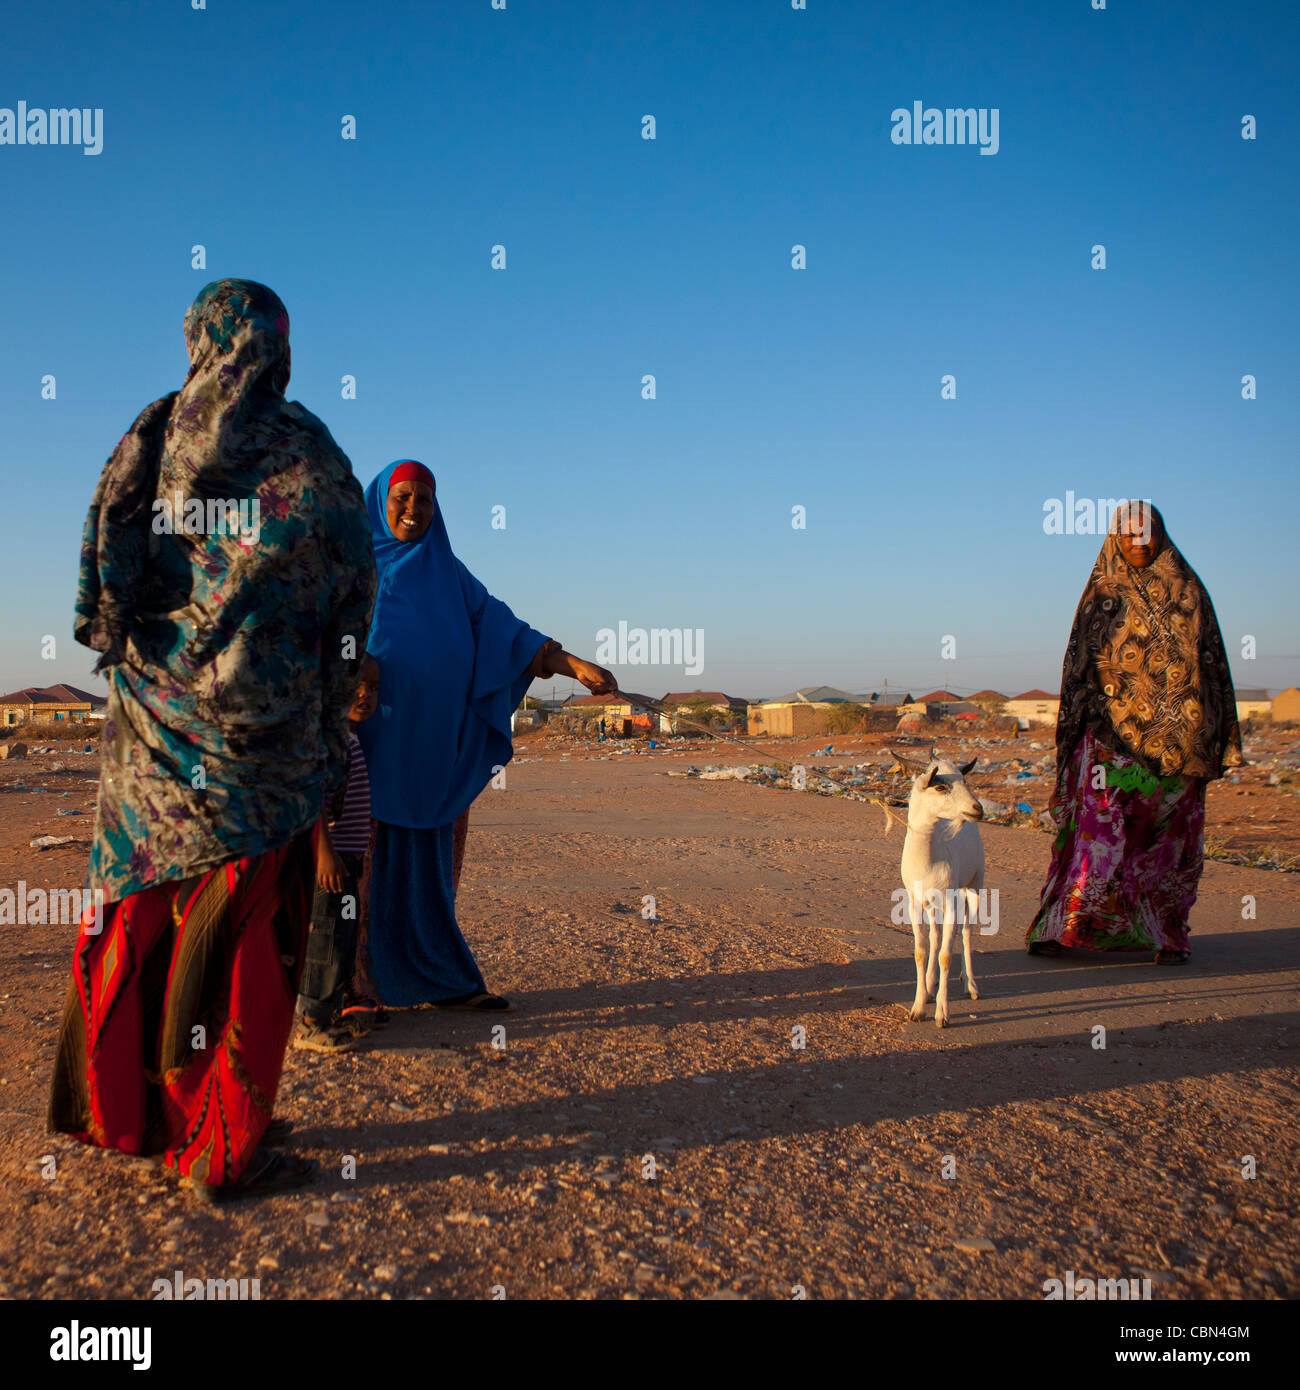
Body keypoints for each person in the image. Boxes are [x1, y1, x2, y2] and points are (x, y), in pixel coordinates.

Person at [48, 279, 376, 1200]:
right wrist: (327, 694)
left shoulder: (150, 438)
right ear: (279, 344)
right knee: (247, 941)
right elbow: (354, 594)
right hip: (263, 751)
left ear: (197, 338)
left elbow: (99, 587)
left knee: (144, 913)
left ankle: (131, 1115)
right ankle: (223, 1144)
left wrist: (151, 656)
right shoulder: (311, 452)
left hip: (155, 739)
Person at [359, 459, 614, 1010]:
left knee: (428, 869)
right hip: (370, 753)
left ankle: (442, 979)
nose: (412, 509)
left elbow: (507, 631)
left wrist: (572, 664)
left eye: (424, 500)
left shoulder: (452, 575)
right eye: (401, 498)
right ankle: (353, 988)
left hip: (434, 754)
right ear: (379, 501)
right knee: (359, 871)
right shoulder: (354, 571)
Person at [1025, 501, 1242, 964]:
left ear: (1160, 534)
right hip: (1111, 744)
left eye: (1145, 533)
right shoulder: (1101, 593)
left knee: (1163, 847)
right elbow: (1077, 670)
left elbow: (1213, 669)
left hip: (1176, 752)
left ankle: (1164, 936)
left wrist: (1218, 737)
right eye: (1127, 534)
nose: (1137, 542)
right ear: (1114, 538)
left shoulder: (1188, 592)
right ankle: (1064, 925)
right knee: (1094, 839)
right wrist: (1074, 739)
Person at [295, 653, 380, 1053]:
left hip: (346, 861)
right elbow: (314, 802)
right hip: (328, 864)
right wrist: (325, 855)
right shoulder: (329, 743)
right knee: (325, 938)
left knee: (343, 935)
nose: (364, 695)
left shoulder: (346, 738)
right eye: (354, 686)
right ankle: (312, 1021)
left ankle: (335, 1007)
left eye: (373, 688)